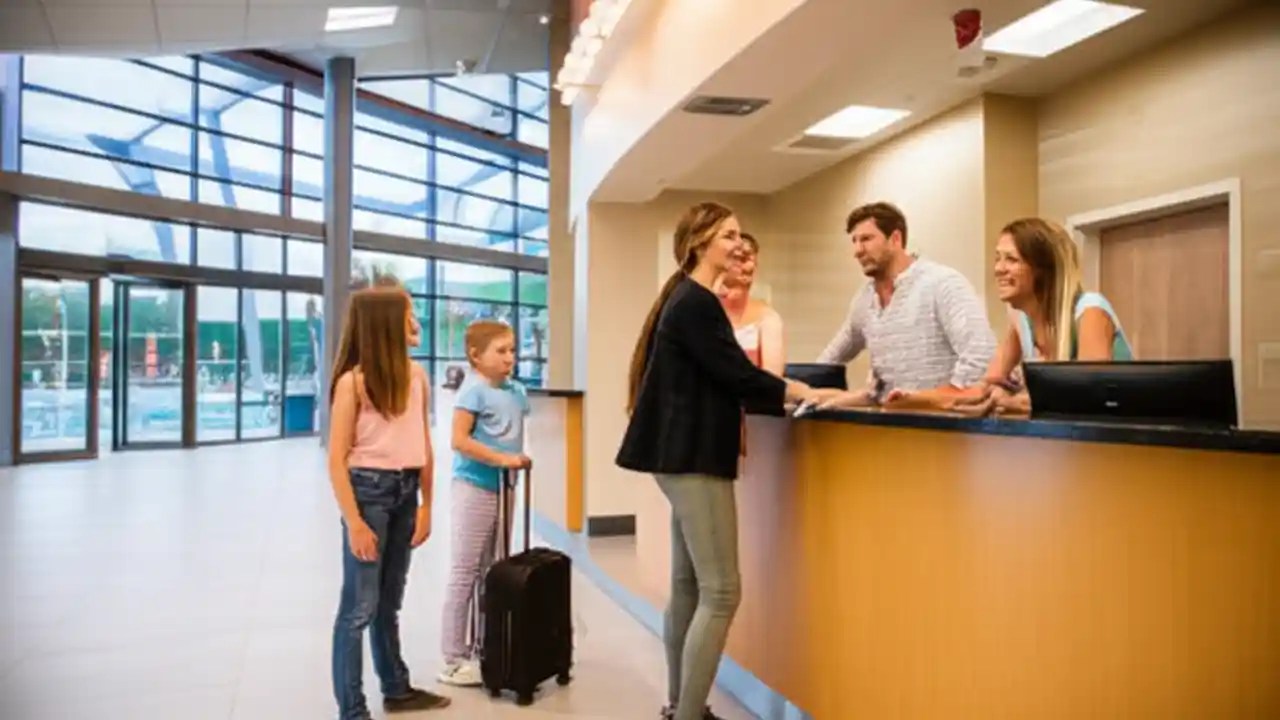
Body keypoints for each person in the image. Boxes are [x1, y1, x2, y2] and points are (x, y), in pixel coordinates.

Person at [615, 202, 817, 720]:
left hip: (680, 458)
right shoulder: (697, 303)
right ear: (700, 241)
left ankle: (680, 704)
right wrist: (795, 390)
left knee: (689, 585)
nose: (739, 244)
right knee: (723, 591)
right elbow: (737, 375)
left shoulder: (686, 299)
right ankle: (687, 712)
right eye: (728, 235)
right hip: (694, 459)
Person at [327, 286, 450, 720]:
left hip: (406, 492)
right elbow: (337, 460)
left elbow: (425, 446)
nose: (416, 323)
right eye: (409, 314)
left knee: (389, 602)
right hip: (369, 495)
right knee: (358, 608)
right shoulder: (352, 383)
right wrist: (355, 522)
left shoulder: (417, 377)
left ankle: (396, 689)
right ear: (385, 324)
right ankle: (353, 710)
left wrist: (427, 505)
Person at [933, 217, 1132, 416]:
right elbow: (985, 387)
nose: (999, 269)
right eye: (998, 259)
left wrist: (1010, 401)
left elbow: (1086, 396)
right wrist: (909, 399)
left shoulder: (1090, 311)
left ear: (1042, 270)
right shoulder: (1021, 321)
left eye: (1011, 259)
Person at [814, 202, 995, 409]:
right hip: (895, 427)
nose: (858, 250)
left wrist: (946, 396)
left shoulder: (942, 283)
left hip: (947, 428)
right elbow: (829, 360)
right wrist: (805, 387)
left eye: (866, 239)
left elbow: (981, 353)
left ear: (895, 239)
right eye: (854, 241)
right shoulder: (864, 300)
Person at [438, 320, 531, 687]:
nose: (510, 358)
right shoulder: (472, 392)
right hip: (475, 487)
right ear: (476, 356)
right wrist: (501, 459)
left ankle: (484, 645)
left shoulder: (517, 392)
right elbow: (459, 440)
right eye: (501, 351)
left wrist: (513, 463)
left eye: (512, 350)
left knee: (493, 569)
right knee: (465, 569)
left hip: (505, 487)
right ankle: (452, 657)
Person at [715, 231, 785, 375]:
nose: (745, 268)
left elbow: (772, 383)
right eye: (736, 258)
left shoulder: (768, 319)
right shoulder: (701, 313)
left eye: (747, 259)